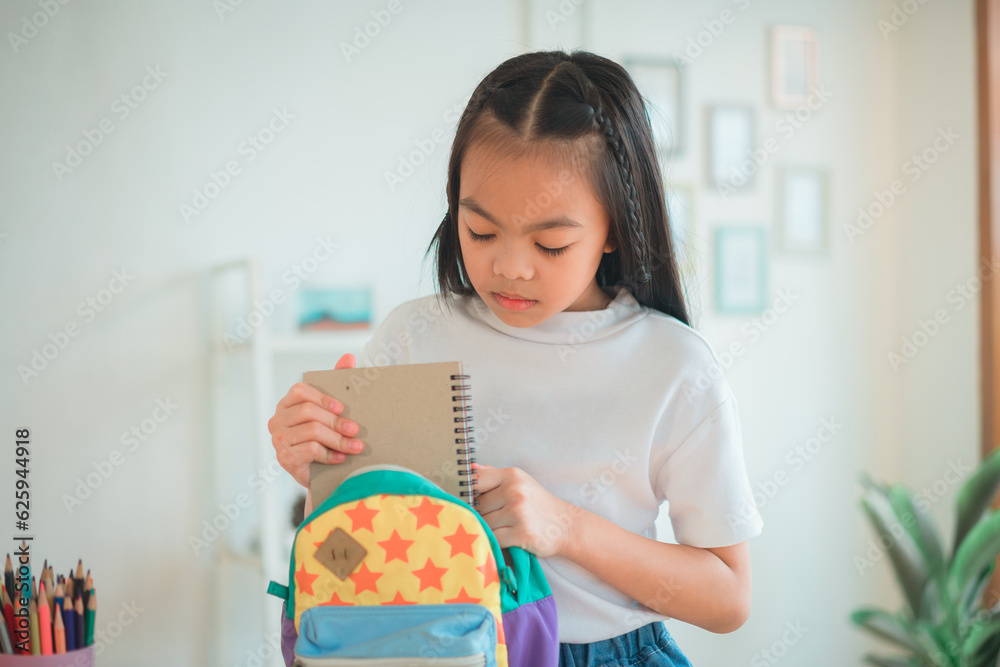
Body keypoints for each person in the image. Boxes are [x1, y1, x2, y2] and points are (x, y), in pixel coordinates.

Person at [268, 48, 763, 667]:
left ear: (613, 226)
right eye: (480, 231)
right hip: (437, 646)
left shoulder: (675, 365)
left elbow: (729, 597)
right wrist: (321, 468)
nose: (509, 266)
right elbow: (364, 540)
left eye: (550, 243)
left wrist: (566, 528)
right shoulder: (413, 337)